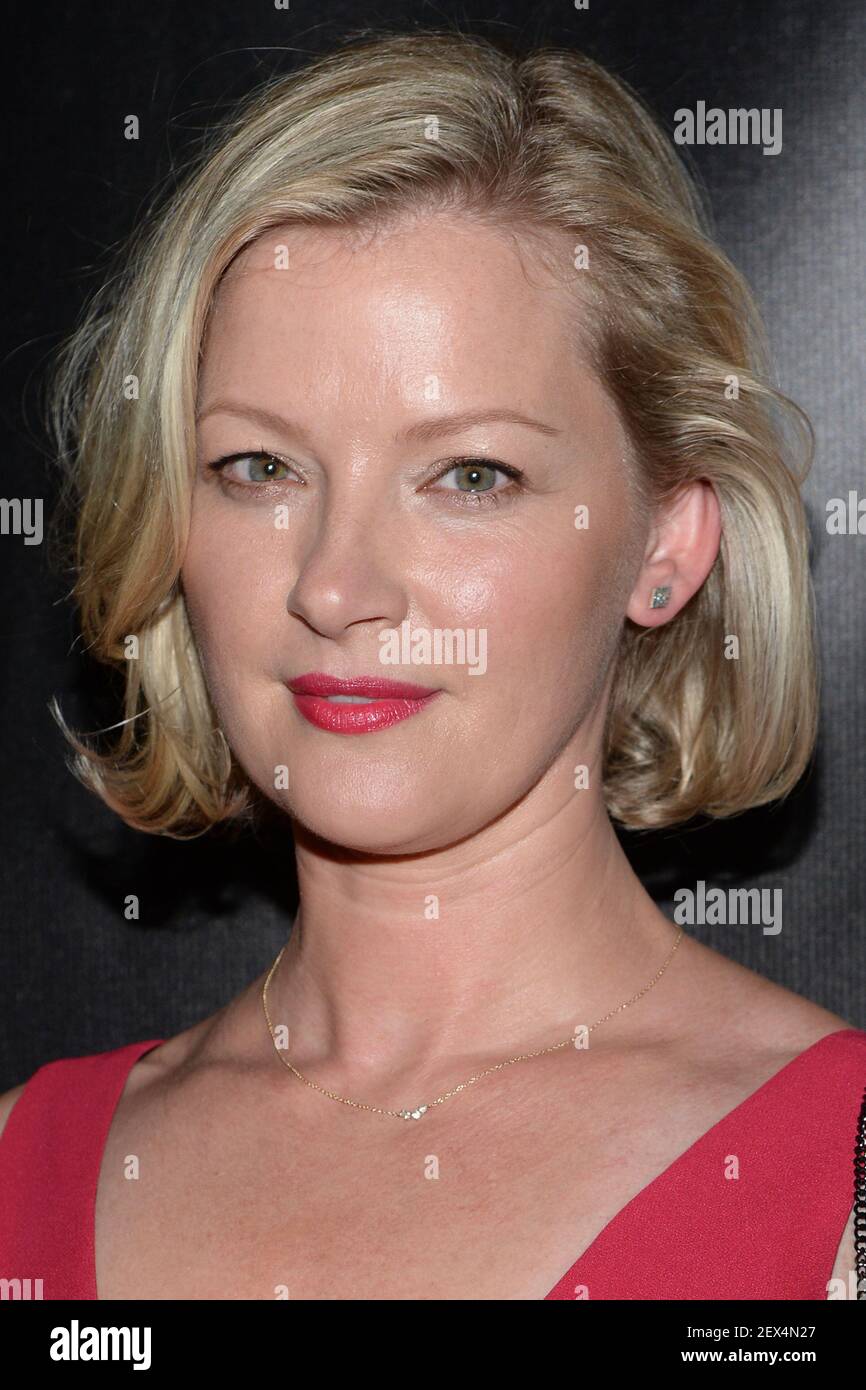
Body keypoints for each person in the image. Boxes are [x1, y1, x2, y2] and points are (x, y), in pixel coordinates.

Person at [1, 30, 863, 1301]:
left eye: (470, 476)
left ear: (664, 544)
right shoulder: (23, 1165)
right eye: (259, 468)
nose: (334, 586)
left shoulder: (839, 1182)